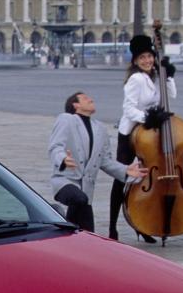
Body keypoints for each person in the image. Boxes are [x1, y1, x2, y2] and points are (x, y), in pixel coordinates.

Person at [48, 91, 148, 232]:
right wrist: (63, 158)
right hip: (65, 182)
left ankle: (68, 235)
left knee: (86, 225)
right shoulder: (66, 119)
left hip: (86, 191)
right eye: (85, 98)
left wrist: (125, 170)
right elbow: (55, 146)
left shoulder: (100, 128)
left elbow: (105, 161)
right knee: (79, 200)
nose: (91, 99)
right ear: (75, 104)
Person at [110, 34, 177, 243]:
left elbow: (171, 95)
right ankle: (112, 226)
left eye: (149, 56)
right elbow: (129, 109)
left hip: (149, 134)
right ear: (136, 61)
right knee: (122, 177)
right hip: (131, 133)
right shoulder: (136, 79)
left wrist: (168, 74)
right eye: (142, 58)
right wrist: (148, 119)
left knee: (146, 176)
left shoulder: (155, 76)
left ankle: (142, 224)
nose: (147, 61)